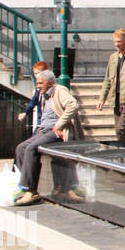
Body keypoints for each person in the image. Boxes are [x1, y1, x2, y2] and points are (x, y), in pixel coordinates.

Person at [13, 68, 80, 206]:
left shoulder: (60, 90)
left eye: (40, 83)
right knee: (21, 148)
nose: (37, 86)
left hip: (54, 131)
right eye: (37, 83)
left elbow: (73, 105)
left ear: (50, 83)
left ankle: (31, 191)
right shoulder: (44, 95)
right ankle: (26, 186)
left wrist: (60, 124)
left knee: (32, 148)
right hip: (43, 130)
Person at [95, 29, 125, 141]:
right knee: (118, 131)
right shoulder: (113, 57)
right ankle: (124, 153)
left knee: (121, 128)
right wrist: (102, 98)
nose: (116, 44)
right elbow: (107, 79)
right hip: (116, 98)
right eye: (115, 41)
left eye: (119, 41)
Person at [17, 60, 52, 128]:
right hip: (41, 120)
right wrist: (26, 112)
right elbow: (33, 101)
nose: (37, 76)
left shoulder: (51, 88)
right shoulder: (38, 89)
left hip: (49, 122)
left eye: (38, 73)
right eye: (35, 74)